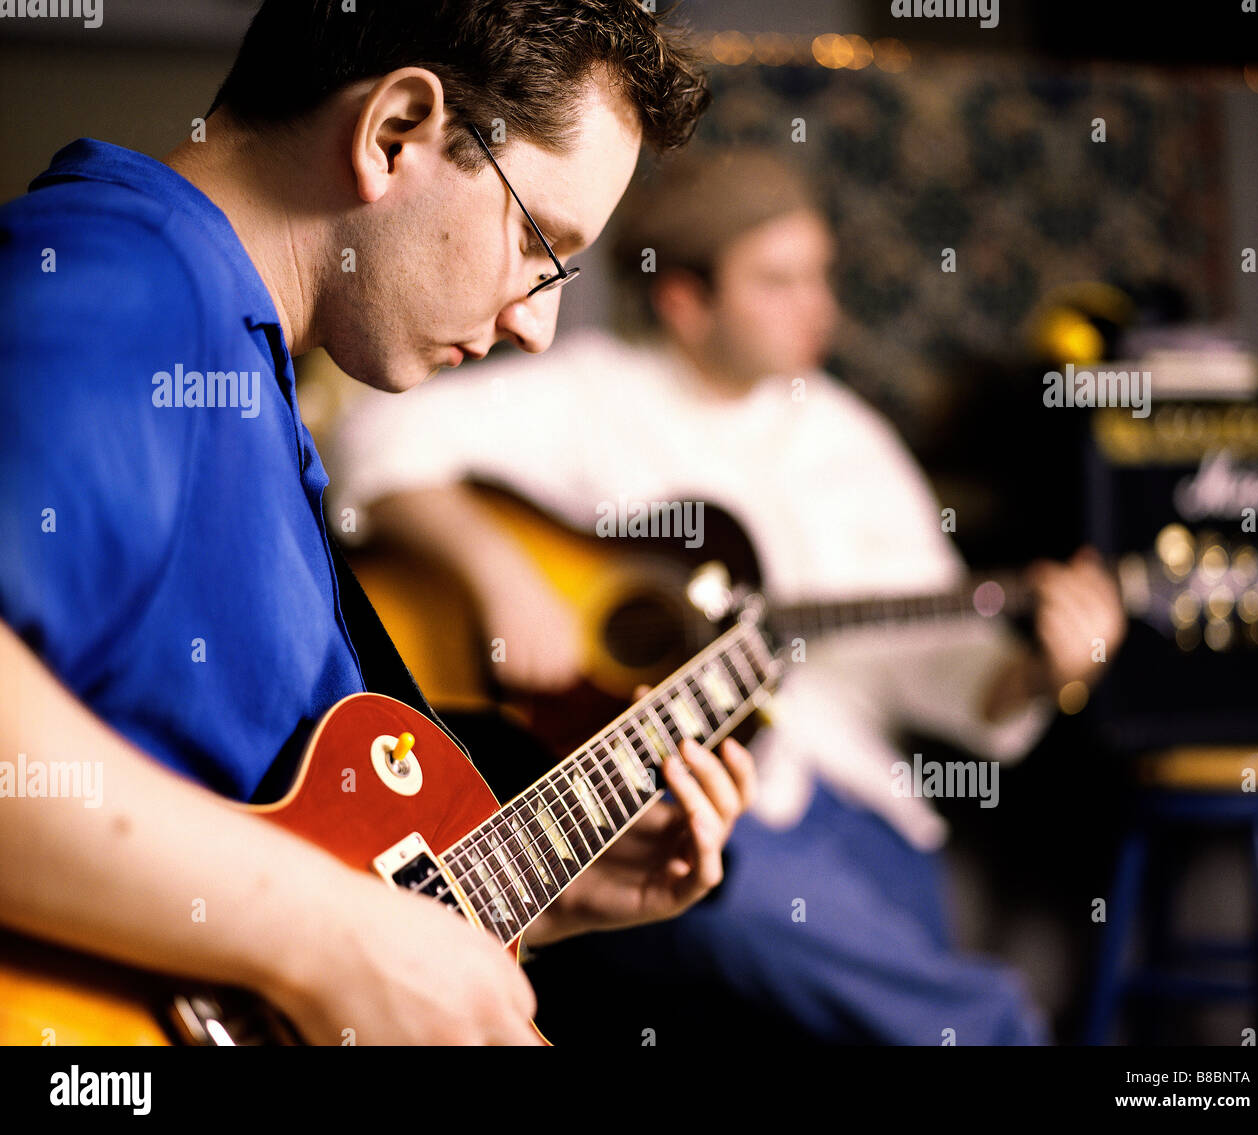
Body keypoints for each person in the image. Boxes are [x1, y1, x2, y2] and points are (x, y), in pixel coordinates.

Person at [0, 1, 760, 1047]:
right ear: (394, 130)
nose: (536, 326)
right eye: (543, 243)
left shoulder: (240, 358)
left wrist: (506, 899)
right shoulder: (128, 291)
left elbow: (237, 830)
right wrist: (332, 935)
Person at [323, 148, 1129, 1044]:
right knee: (715, 862)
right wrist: (496, 570)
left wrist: (1045, 670)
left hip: (854, 810)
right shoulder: (590, 392)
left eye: (821, 275)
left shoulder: (848, 437)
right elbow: (372, 437)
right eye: (779, 282)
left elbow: (943, 670)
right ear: (684, 300)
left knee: (796, 906)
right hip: (689, 803)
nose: (820, 307)